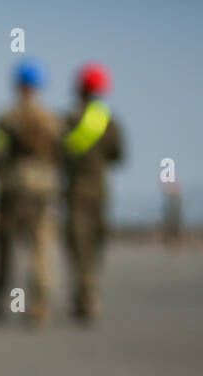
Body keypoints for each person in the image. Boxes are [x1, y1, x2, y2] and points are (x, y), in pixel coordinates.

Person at [0, 60, 62, 327]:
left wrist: (2, 177)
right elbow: (60, 154)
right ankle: (39, 307)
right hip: (44, 188)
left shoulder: (5, 118)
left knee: (5, 247)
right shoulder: (52, 119)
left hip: (14, 187)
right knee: (41, 248)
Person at [62, 62, 123, 322]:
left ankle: (84, 295)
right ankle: (91, 293)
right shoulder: (108, 121)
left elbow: (60, 153)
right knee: (96, 244)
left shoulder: (69, 120)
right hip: (100, 192)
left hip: (75, 192)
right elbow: (119, 156)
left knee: (78, 246)